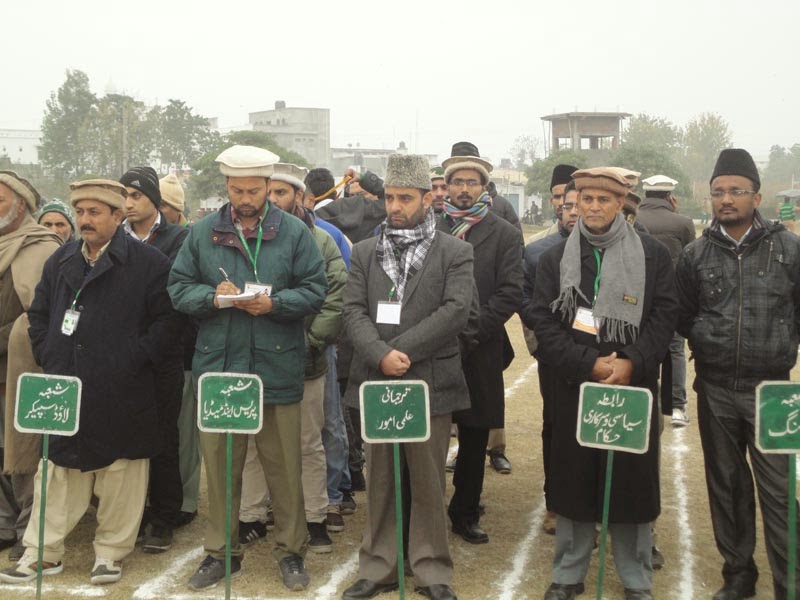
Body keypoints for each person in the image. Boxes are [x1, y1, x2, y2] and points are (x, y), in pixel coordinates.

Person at [1, 179, 177, 585]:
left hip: (123, 388)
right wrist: (50, 354)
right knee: (57, 471)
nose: (84, 220)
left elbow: (168, 323)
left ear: (118, 216)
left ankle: (110, 554)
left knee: (121, 472)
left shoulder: (150, 264)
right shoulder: (62, 260)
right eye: (80, 212)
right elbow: (40, 315)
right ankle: (43, 553)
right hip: (68, 386)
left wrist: (131, 358)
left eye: (95, 212)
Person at [168, 145, 327, 592]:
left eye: (254, 190)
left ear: (267, 188)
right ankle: (221, 553)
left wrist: (276, 304)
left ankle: (291, 551)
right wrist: (213, 298)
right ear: (226, 188)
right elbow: (178, 288)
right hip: (220, 369)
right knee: (220, 470)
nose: (245, 198)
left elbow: (316, 289)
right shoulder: (200, 233)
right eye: (237, 190)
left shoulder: (295, 233)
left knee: (284, 469)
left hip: (276, 367)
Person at [526, 167, 677, 600]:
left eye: (602, 200)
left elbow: (665, 315)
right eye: (584, 200)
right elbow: (542, 319)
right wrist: (587, 364)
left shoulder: (652, 255)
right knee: (573, 480)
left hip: (632, 385)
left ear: (621, 205)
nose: (592, 207)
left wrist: (631, 362)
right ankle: (568, 574)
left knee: (631, 479)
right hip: (574, 384)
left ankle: (635, 577)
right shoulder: (554, 259)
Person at [340, 153, 476, 600]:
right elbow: (353, 311)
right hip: (377, 379)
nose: (394, 206)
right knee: (380, 479)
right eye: (389, 197)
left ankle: (432, 569)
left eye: (404, 198)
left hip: (429, 382)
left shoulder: (456, 251)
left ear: (425, 199)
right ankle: (378, 565)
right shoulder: (363, 252)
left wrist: (404, 352)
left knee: (428, 479)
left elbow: (456, 310)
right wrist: (381, 355)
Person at [676, 148, 800, 600]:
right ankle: (739, 574)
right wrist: (707, 336)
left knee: (781, 491)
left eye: (736, 191)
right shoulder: (695, 253)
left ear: (757, 196)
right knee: (727, 485)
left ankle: (791, 582)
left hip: (774, 391)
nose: (726, 199)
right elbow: (682, 313)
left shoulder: (789, 248)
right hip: (716, 387)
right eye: (718, 192)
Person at [238, 162, 347, 553]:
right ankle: (251, 516)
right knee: (251, 441)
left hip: (305, 361)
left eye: (281, 193)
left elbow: (335, 297)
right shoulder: (243, 238)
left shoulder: (320, 241)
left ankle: (315, 518)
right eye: (269, 193)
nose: (273, 201)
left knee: (307, 442)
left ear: (300, 197)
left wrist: (311, 342)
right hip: (252, 362)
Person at [438, 141, 523, 545]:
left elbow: (510, 291)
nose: (464, 189)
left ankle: (466, 510)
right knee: (431, 431)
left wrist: (470, 332)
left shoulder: (504, 233)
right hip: (433, 348)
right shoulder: (430, 227)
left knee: (473, 436)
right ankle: (425, 508)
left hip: (481, 346)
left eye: (472, 182)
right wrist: (441, 333)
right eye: (457, 182)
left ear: (484, 188)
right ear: (446, 186)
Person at [120, 166, 189, 553]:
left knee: (164, 436)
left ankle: (164, 517)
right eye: (124, 197)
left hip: (163, 355)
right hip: (121, 356)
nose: (128, 204)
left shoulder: (178, 238)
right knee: (126, 437)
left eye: (135, 196)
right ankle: (133, 514)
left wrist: (147, 347)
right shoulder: (115, 237)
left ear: (154, 201)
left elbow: (173, 301)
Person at [0, 172, 61, 562]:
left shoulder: (43, 247)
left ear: (21, 204)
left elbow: (39, 313)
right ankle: (4, 524)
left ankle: (29, 530)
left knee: (24, 451)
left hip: (21, 364)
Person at [520, 179, 580, 535]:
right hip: (554, 355)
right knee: (556, 426)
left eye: (580, 204)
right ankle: (556, 502)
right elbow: (523, 296)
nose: (574, 211)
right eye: (568, 205)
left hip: (596, 355)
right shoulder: (538, 252)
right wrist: (547, 332)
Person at [636, 175, 695, 427]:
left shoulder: (634, 219)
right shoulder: (683, 222)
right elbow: (690, 259)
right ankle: (678, 406)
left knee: (640, 348)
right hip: (672, 297)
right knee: (674, 350)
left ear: (646, 194)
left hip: (637, 299)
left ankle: (644, 403)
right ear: (670, 196)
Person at [529, 164, 577, 242]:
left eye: (566, 196)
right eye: (557, 197)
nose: (561, 202)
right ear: (551, 201)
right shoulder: (537, 243)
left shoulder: (597, 243)